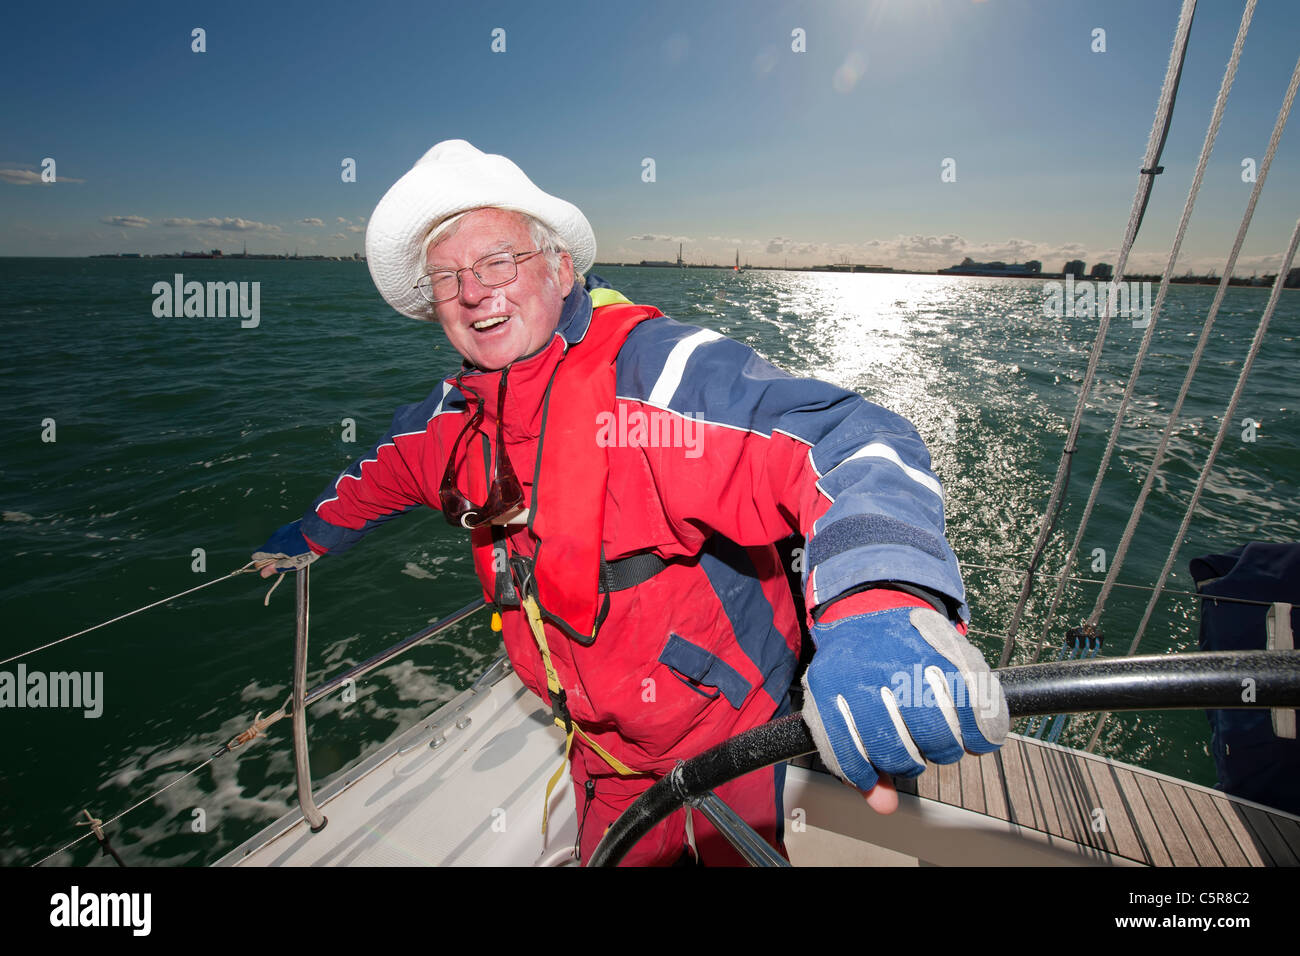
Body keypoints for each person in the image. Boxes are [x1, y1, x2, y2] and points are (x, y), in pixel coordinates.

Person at [253, 139, 1008, 866]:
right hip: (601, 754)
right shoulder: (444, 425)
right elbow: (374, 481)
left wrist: (876, 602)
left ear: (557, 266)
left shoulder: (657, 380)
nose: (474, 292)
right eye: (448, 278)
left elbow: (852, 444)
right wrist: (308, 538)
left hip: (732, 736)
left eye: (496, 261)